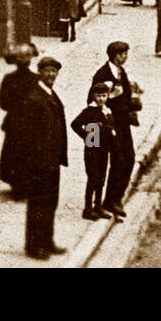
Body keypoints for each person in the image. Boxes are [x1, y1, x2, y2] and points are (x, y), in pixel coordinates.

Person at [22, 57, 68, 259]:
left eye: (54, 72)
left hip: (52, 160)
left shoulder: (49, 93)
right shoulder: (34, 97)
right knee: (38, 204)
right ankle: (34, 245)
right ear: (40, 72)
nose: (51, 75)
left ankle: (47, 241)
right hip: (39, 162)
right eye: (47, 71)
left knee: (50, 202)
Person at [95, 42, 140, 219]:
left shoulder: (121, 72)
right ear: (114, 55)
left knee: (129, 159)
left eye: (126, 54)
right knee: (117, 160)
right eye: (122, 54)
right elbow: (93, 101)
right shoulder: (103, 74)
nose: (125, 57)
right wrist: (112, 95)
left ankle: (116, 197)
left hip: (123, 124)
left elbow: (127, 93)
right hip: (109, 126)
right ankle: (107, 201)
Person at [0, 43, 41, 200]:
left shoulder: (9, 79)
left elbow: (2, 101)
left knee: (14, 153)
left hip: (15, 122)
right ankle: (27, 183)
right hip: (30, 123)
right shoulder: (36, 79)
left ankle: (16, 183)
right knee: (29, 153)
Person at [71, 82, 116, 221]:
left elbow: (110, 126)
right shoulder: (89, 111)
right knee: (93, 178)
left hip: (104, 149)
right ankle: (88, 208)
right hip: (92, 149)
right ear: (93, 96)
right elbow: (75, 124)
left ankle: (98, 206)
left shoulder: (107, 111)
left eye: (104, 96)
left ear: (108, 96)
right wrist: (87, 136)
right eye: (98, 96)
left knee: (102, 178)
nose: (101, 99)